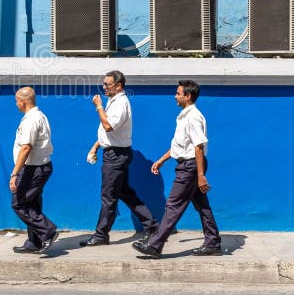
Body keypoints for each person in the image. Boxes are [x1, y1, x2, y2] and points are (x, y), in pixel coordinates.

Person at [133, 80, 222, 259]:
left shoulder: (193, 116)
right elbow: (178, 147)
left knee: (173, 205)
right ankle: (212, 242)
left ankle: (155, 245)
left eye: (178, 93)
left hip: (190, 166)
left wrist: (200, 175)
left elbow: (198, 146)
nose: (175, 96)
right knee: (202, 205)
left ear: (187, 96)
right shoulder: (184, 116)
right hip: (189, 165)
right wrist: (161, 160)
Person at [79, 71, 159, 247]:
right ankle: (152, 227)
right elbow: (108, 133)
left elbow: (108, 126)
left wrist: (98, 106)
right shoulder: (113, 102)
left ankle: (101, 235)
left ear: (119, 86)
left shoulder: (121, 103)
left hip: (116, 156)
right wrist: (95, 147)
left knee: (108, 196)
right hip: (114, 153)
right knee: (125, 193)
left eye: (107, 84)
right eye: (104, 84)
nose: (104, 87)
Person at [10, 86, 59, 254]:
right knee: (32, 203)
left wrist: (15, 173)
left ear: (23, 101)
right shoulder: (40, 116)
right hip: (40, 167)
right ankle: (34, 242)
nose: (16, 104)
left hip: (33, 168)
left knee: (19, 203)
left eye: (17, 100)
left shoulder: (31, 120)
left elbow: (26, 148)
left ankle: (48, 231)